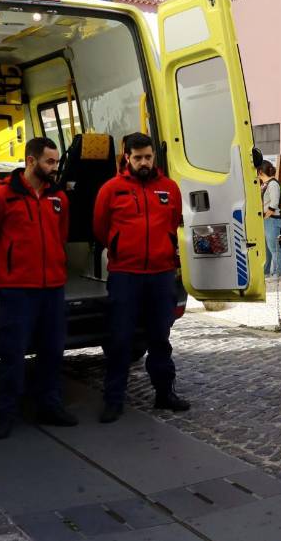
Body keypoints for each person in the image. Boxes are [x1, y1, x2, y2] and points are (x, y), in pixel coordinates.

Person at [0, 137, 77, 439]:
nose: (55, 167)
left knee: (52, 351)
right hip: (18, 289)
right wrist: (4, 268)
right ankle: (4, 412)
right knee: (12, 353)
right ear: (31, 161)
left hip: (52, 287)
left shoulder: (58, 197)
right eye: (49, 161)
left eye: (56, 161)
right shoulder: (3, 196)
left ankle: (50, 406)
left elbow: (61, 235)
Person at [92, 133, 190, 423]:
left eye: (148, 157)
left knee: (160, 338)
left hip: (161, 275)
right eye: (138, 158)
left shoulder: (169, 188)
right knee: (120, 339)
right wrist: (121, 247)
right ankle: (114, 400)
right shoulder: (111, 190)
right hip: (126, 275)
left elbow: (173, 221)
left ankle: (165, 393)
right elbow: (100, 228)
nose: (144, 162)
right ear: (127, 158)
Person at [259, 161, 281, 277]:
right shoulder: (264, 183)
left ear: (260, 171)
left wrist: (265, 216)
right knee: (266, 248)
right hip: (265, 219)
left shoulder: (272, 184)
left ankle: (276, 272)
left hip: (271, 219)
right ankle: (266, 271)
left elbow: (274, 203)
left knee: (274, 248)